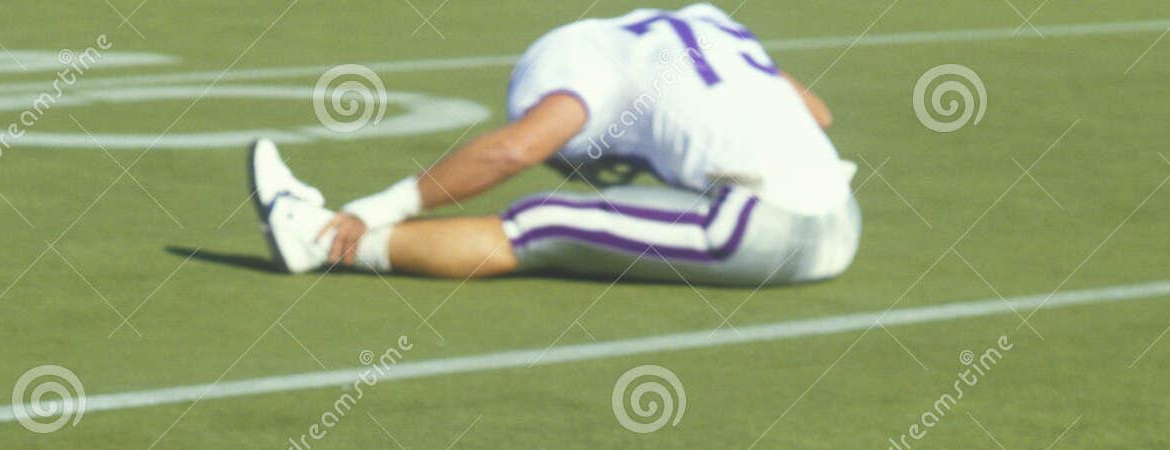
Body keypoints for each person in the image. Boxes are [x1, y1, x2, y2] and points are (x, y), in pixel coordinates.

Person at [253, 4, 859, 287]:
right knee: (618, 197)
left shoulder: (583, 70)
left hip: (766, 230)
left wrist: (381, 203)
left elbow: (512, 151)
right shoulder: (705, 24)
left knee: (542, 220)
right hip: (843, 220)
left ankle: (323, 241)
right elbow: (821, 113)